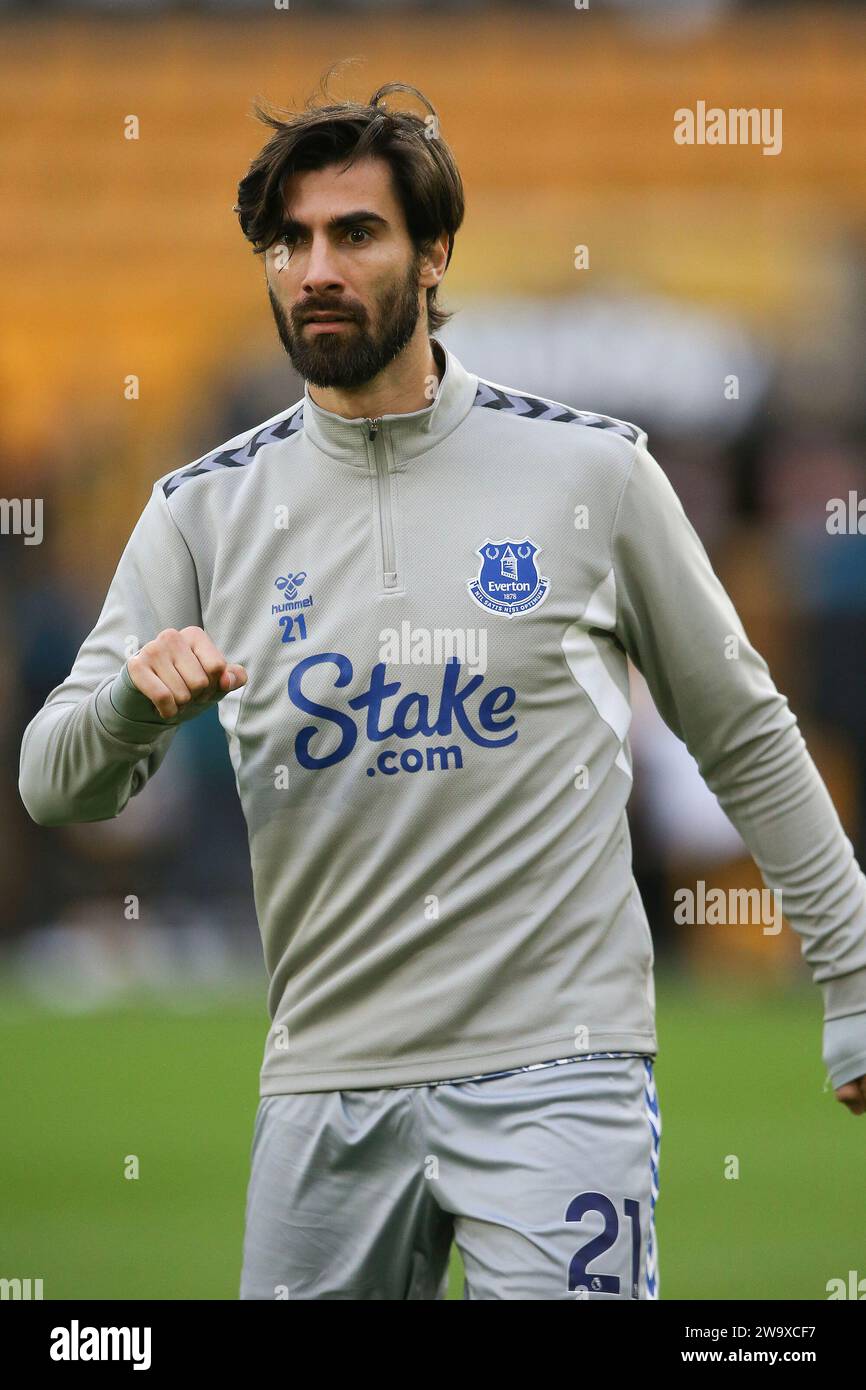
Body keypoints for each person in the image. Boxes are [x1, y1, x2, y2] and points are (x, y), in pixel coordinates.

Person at [18, 80, 866, 1301]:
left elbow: (743, 732)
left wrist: (849, 976)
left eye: (354, 234)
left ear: (432, 256)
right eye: (289, 241)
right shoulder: (198, 511)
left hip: (557, 1072)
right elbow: (52, 781)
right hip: (323, 1082)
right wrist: (126, 712)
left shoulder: (592, 473)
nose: (315, 268)